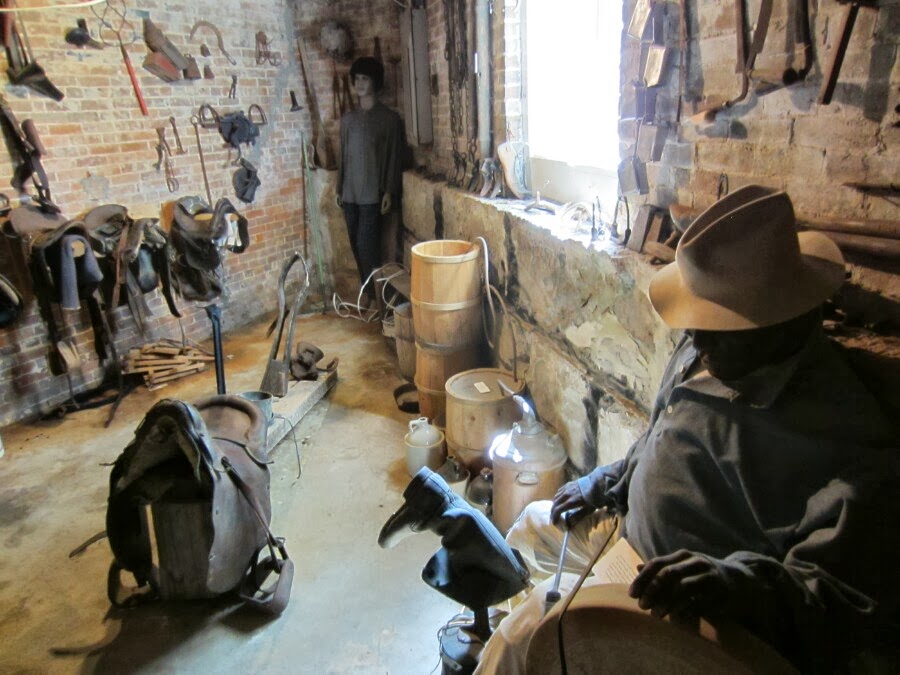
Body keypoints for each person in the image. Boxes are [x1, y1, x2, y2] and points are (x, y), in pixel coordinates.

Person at [474, 185, 899, 673]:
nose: (694, 337)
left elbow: (844, 604)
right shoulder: (712, 353)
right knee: (526, 529)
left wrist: (735, 582)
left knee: (516, 643)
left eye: (714, 325)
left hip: (679, 597)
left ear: (778, 322)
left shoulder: (843, 436)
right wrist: (607, 480)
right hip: (628, 528)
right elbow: (663, 433)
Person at [336, 56, 404, 304]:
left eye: (365, 78)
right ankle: (368, 292)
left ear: (375, 82)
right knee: (355, 244)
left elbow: (394, 157)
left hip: (372, 195)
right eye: (356, 79)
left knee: (368, 246)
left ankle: (378, 295)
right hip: (349, 194)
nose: (360, 84)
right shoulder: (348, 121)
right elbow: (343, 156)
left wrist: (388, 191)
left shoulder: (389, 120)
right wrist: (339, 186)